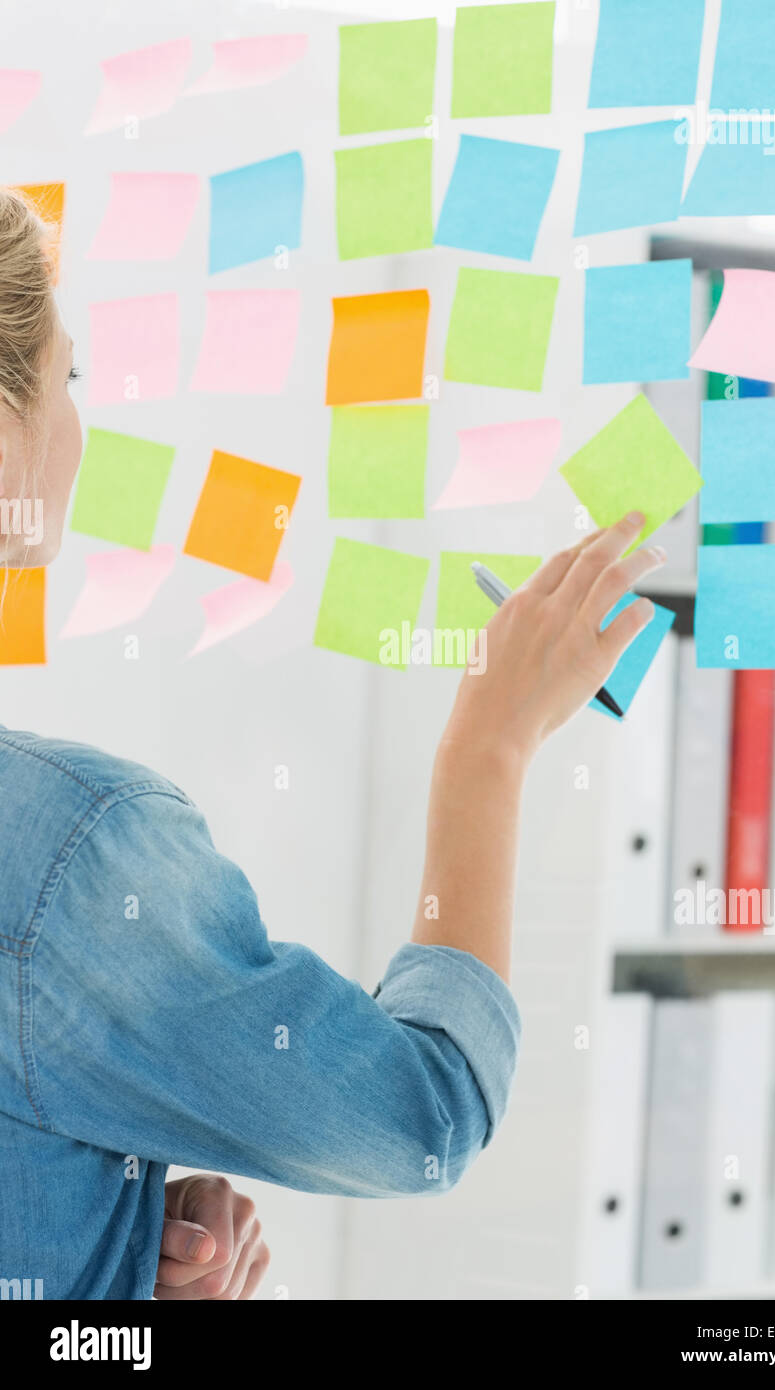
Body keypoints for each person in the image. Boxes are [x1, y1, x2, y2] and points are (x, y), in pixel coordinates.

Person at [0, 188, 665, 1300]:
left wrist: (92, 1248)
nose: (80, 420)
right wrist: (489, 747)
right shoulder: (67, 865)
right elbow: (421, 1117)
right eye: (68, 377)